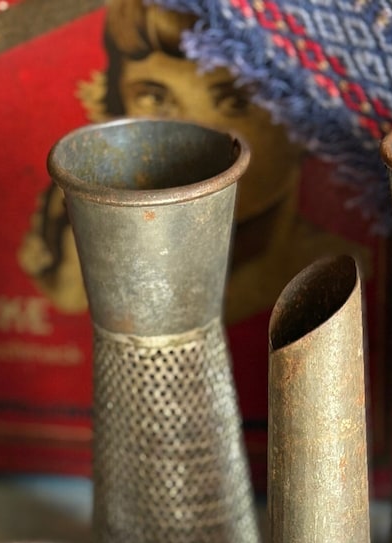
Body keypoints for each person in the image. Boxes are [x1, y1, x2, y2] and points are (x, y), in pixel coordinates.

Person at [18, 0, 361, 324]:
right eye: (155, 97)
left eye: (233, 101)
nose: (190, 132)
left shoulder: (346, 275)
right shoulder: (75, 265)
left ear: (303, 122)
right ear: (113, 102)